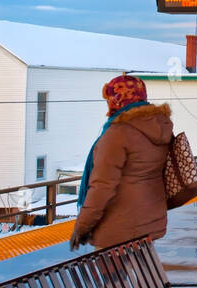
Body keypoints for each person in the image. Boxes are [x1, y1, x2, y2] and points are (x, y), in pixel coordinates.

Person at [70, 74, 175, 251]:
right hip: (149, 222)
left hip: (118, 229)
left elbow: (102, 186)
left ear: (116, 100)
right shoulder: (160, 125)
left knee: (110, 279)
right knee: (146, 277)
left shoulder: (117, 133)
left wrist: (82, 227)